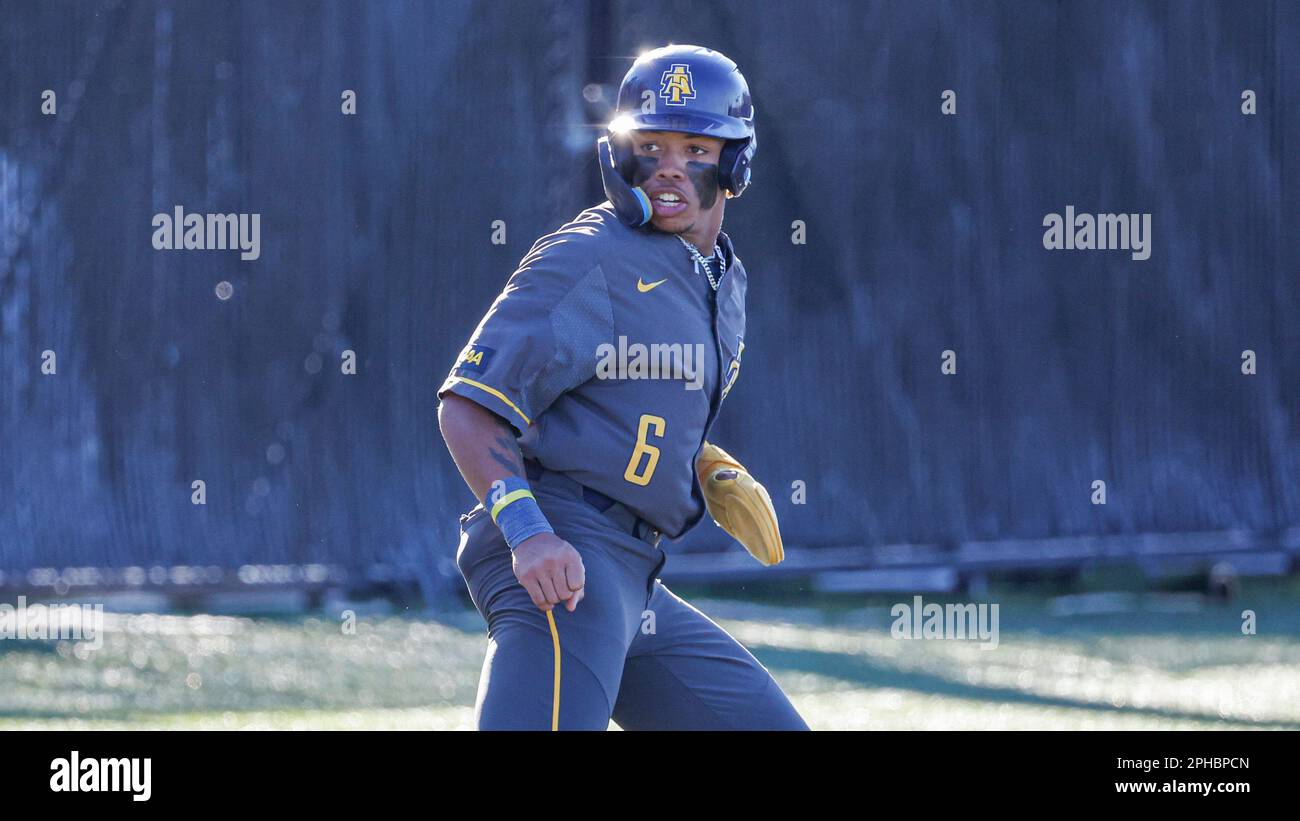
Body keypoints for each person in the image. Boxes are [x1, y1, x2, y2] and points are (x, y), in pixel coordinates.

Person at [437, 44, 807, 730]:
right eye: (651, 144)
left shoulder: (720, 279)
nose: (669, 165)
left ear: (734, 164)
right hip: (565, 549)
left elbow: (623, 393)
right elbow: (469, 407)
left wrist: (701, 460)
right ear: (619, 154)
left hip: (631, 573)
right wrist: (528, 533)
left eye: (696, 147)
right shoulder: (591, 254)